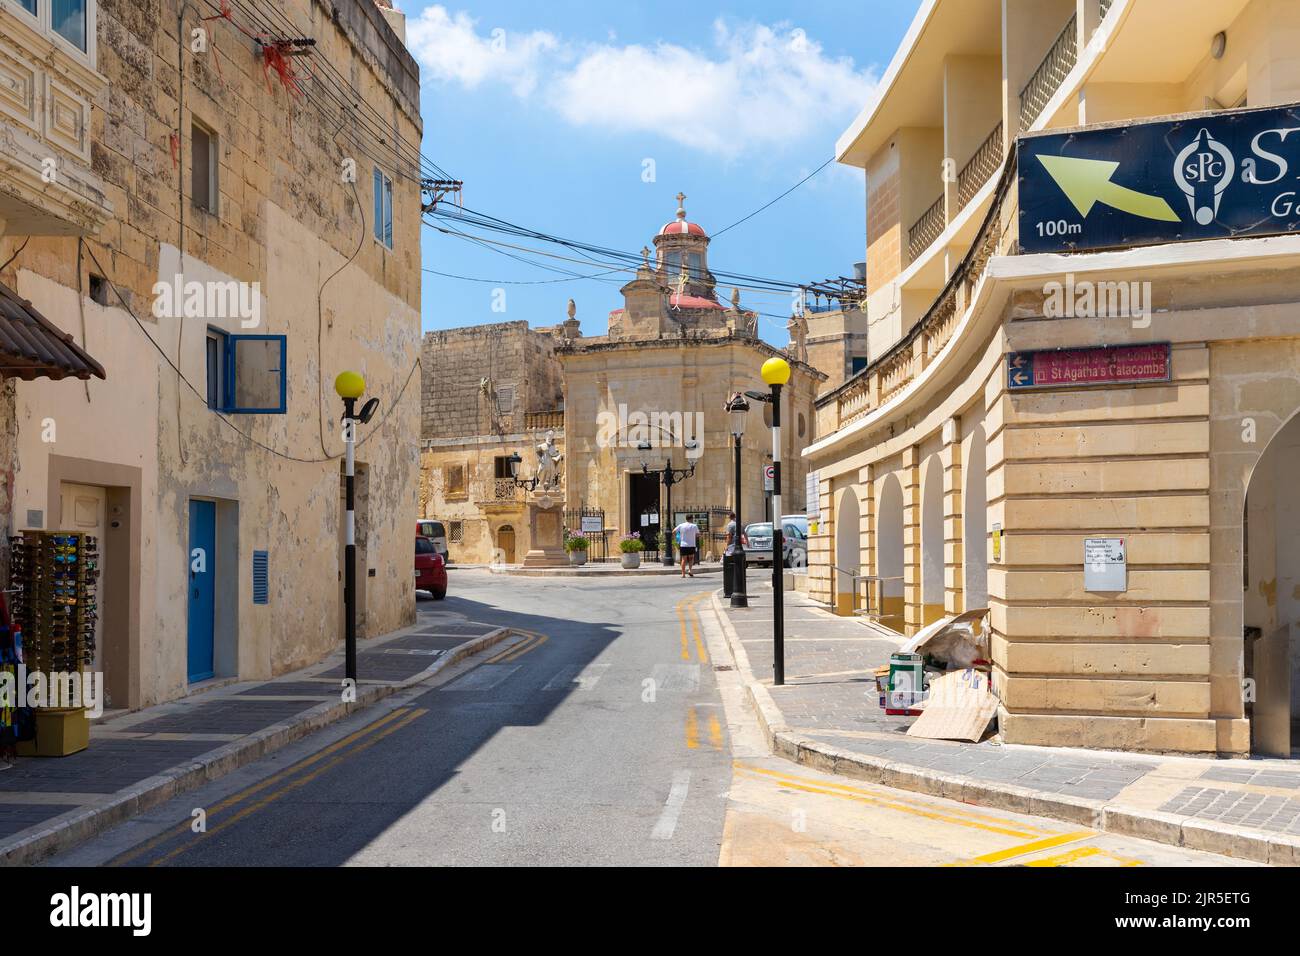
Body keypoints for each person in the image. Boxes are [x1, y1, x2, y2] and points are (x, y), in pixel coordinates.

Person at [722, 511, 748, 597]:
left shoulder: (730, 525)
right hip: (739, 546)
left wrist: (726, 546)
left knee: (730, 563)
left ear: (729, 517)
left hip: (732, 546)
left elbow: (729, 536)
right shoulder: (740, 524)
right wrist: (747, 542)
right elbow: (745, 534)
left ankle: (733, 579)